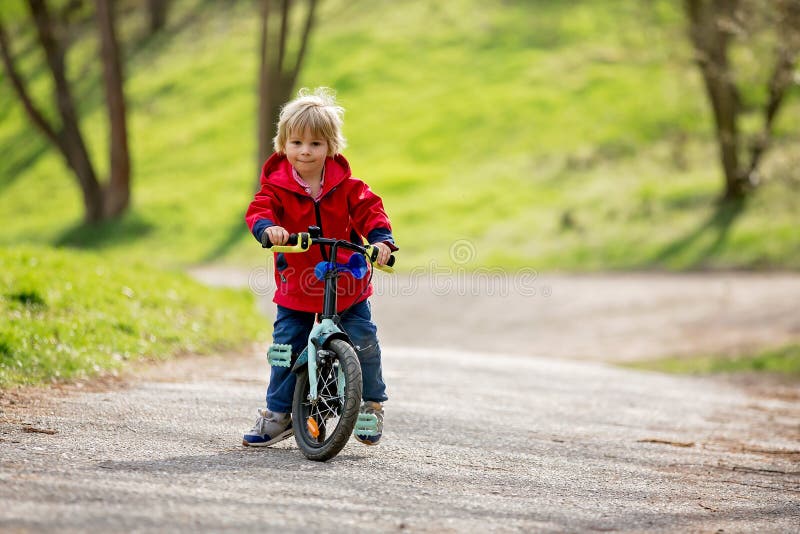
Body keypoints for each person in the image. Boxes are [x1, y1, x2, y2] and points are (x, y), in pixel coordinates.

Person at [243, 87, 397, 448]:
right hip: (298, 283)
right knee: (286, 347)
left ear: (331, 146)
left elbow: (371, 211)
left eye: (315, 144)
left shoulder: (349, 188)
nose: (305, 151)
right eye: (296, 142)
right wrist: (270, 230)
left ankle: (370, 405)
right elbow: (259, 211)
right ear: (283, 145)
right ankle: (279, 414)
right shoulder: (276, 189)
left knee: (363, 340)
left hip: (346, 282)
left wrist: (381, 242)